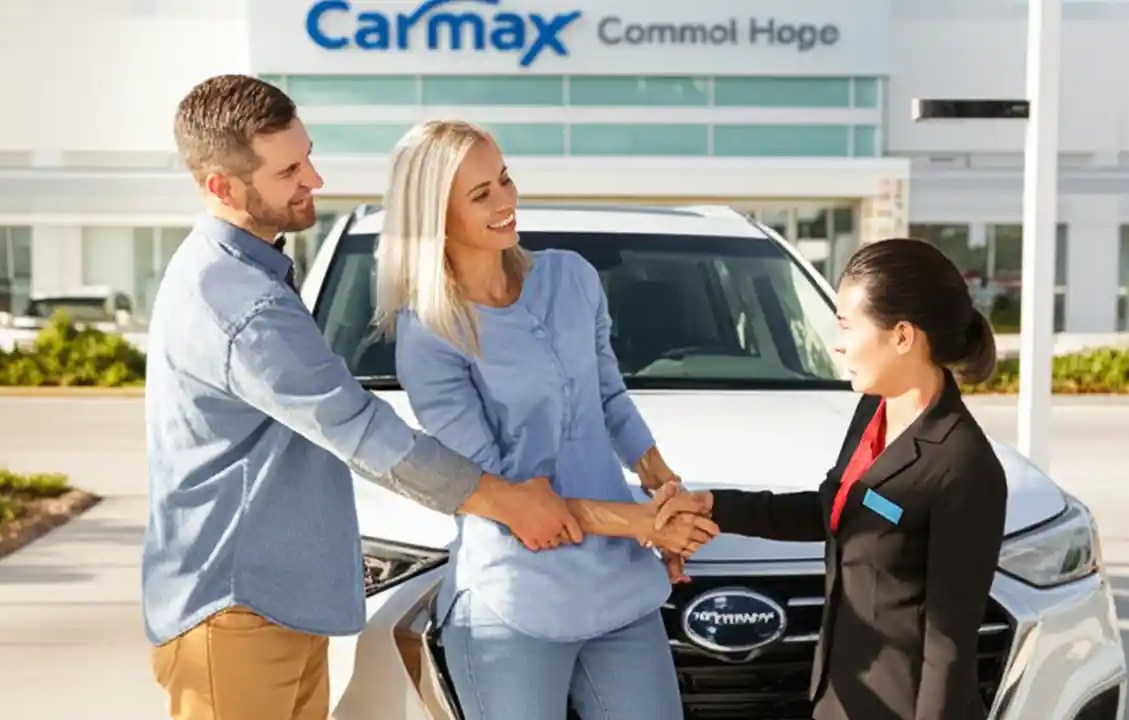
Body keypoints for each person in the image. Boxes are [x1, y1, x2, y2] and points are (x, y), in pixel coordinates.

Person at [142, 76, 584, 720]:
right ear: (221, 186)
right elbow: (359, 429)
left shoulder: (249, 273)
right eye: (289, 170)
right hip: (236, 613)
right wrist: (509, 501)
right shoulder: (238, 298)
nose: (313, 179)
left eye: (309, 155)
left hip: (273, 606)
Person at [371, 119, 719, 720]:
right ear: (435, 218)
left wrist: (666, 492)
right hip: (514, 604)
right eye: (481, 195)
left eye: (504, 179)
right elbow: (501, 496)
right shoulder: (429, 334)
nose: (506, 201)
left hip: (620, 589)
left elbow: (608, 396)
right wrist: (645, 522)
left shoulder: (571, 277)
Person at [657, 238, 1008, 720]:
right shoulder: (873, 411)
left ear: (902, 336)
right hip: (838, 699)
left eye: (846, 325)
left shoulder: (963, 465)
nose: (836, 343)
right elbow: (836, 508)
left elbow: (949, 644)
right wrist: (715, 506)